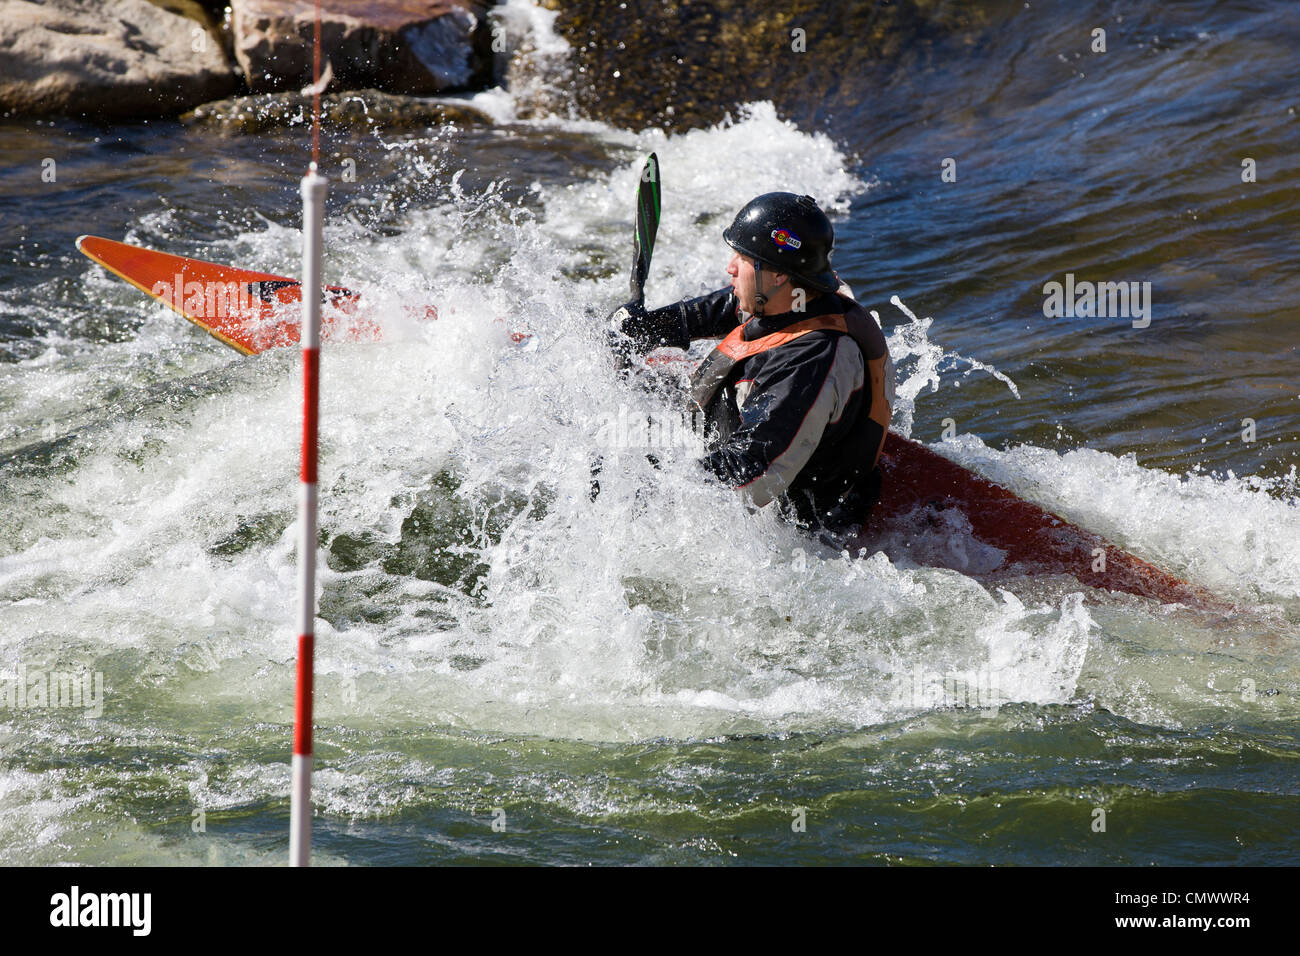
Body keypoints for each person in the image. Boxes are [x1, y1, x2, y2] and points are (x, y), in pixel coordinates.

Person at [609, 192, 895, 532]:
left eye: (742, 258)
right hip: (736, 445)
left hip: (803, 532)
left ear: (778, 275)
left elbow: (753, 474)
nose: (729, 268)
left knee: (611, 476)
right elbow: (707, 313)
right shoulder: (786, 297)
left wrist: (651, 483)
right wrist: (642, 326)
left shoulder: (813, 359)